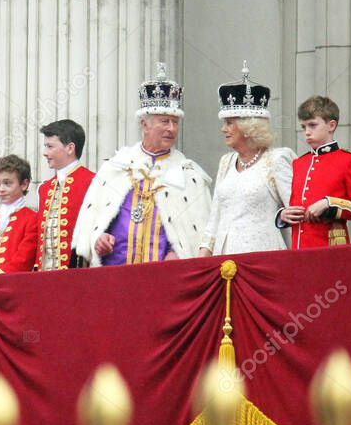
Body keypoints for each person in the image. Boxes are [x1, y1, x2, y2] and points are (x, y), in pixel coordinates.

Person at [72, 64, 212, 266]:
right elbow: (94, 223)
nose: (172, 129)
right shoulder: (115, 167)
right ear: (144, 125)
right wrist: (99, 238)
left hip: (163, 275)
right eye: (165, 121)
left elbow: (197, 233)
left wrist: (177, 251)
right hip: (115, 274)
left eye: (175, 122)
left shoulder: (189, 174)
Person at [198, 69, 294, 256]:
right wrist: (202, 260)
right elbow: (215, 218)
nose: (223, 129)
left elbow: (295, 211)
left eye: (229, 122)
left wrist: (281, 217)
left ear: (248, 127)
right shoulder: (226, 162)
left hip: (263, 258)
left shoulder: (275, 159)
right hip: (225, 259)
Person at [278, 96, 351, 249]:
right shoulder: (299, 163)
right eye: (304, 127)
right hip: (298, 248)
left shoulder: (349, 160)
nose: (307, 132)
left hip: (329, 248)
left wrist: (328, 203)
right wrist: (284, 215)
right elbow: (295, 205)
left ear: (331, 125)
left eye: (312, 125)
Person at [34, 119, 95, 271]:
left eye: (50, 146)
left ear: (70, 148)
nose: (45, 152)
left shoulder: (93, 182)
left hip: (78, 274)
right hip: (44, 276)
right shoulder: (44, 189)